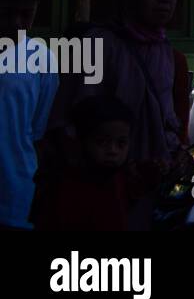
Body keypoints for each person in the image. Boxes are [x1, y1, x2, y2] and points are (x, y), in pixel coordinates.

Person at [47, 0, 190, 228]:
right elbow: (69, 128)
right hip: (102, 200)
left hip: (153, 196)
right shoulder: (95, 46)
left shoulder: (169, 54)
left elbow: (175, 124)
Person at [0, 0, 59, 230]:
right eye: (6, 13)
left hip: (17, 198)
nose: (16, 24)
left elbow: (39, 136)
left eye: (27, 15)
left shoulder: (42, 60)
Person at [34, 95, 133, 231]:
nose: (113, 151)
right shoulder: (65, 189)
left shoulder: (119, 178)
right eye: (102, 142)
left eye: (121, 143)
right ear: (81, 141)